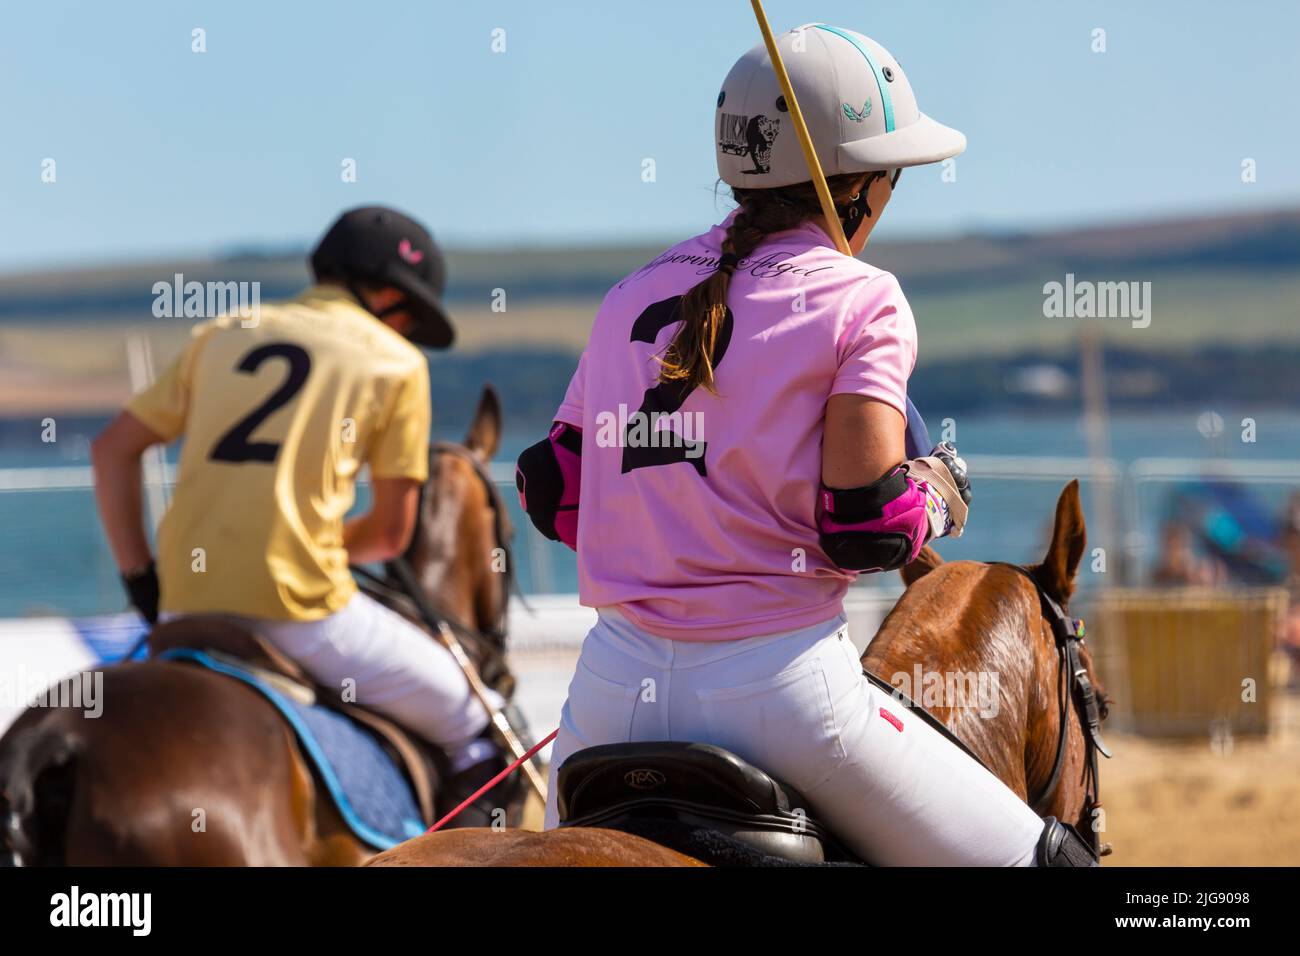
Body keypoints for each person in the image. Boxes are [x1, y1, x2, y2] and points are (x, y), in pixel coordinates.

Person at [516, 24, 1094, 865]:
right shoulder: (866, 298)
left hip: (607, 697)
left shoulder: (628, 294)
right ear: (855, 183)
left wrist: (673, 523)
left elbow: (555, 492)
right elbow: (867, 529)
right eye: (893, 176)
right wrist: (936, 492)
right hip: (783, 699)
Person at [91, 206, 508, 822]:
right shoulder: (396, 363)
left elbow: (111, 451)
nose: (407, 334)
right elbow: (390, 534)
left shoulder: (224, 331)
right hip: (301, 612)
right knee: (476, 719)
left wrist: (141, 580)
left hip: (185, 604)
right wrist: (308, 541)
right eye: (409, 318)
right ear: (388, 294)